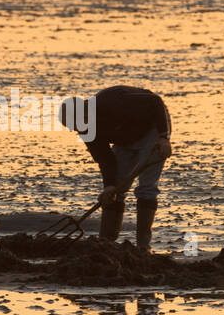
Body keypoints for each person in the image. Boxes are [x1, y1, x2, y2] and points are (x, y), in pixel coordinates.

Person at [58, 85, 172, 251]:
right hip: (125, 140)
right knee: (115, 192)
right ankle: (107, 243)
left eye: (74, 125)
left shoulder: (111, 101)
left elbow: (155, 102)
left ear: (83, 114)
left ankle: (143, 246)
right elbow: (105, 160)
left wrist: (164, 137)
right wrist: (109, 186)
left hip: (153, 128)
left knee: (147, 187)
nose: (75, 130)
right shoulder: (87, 130)